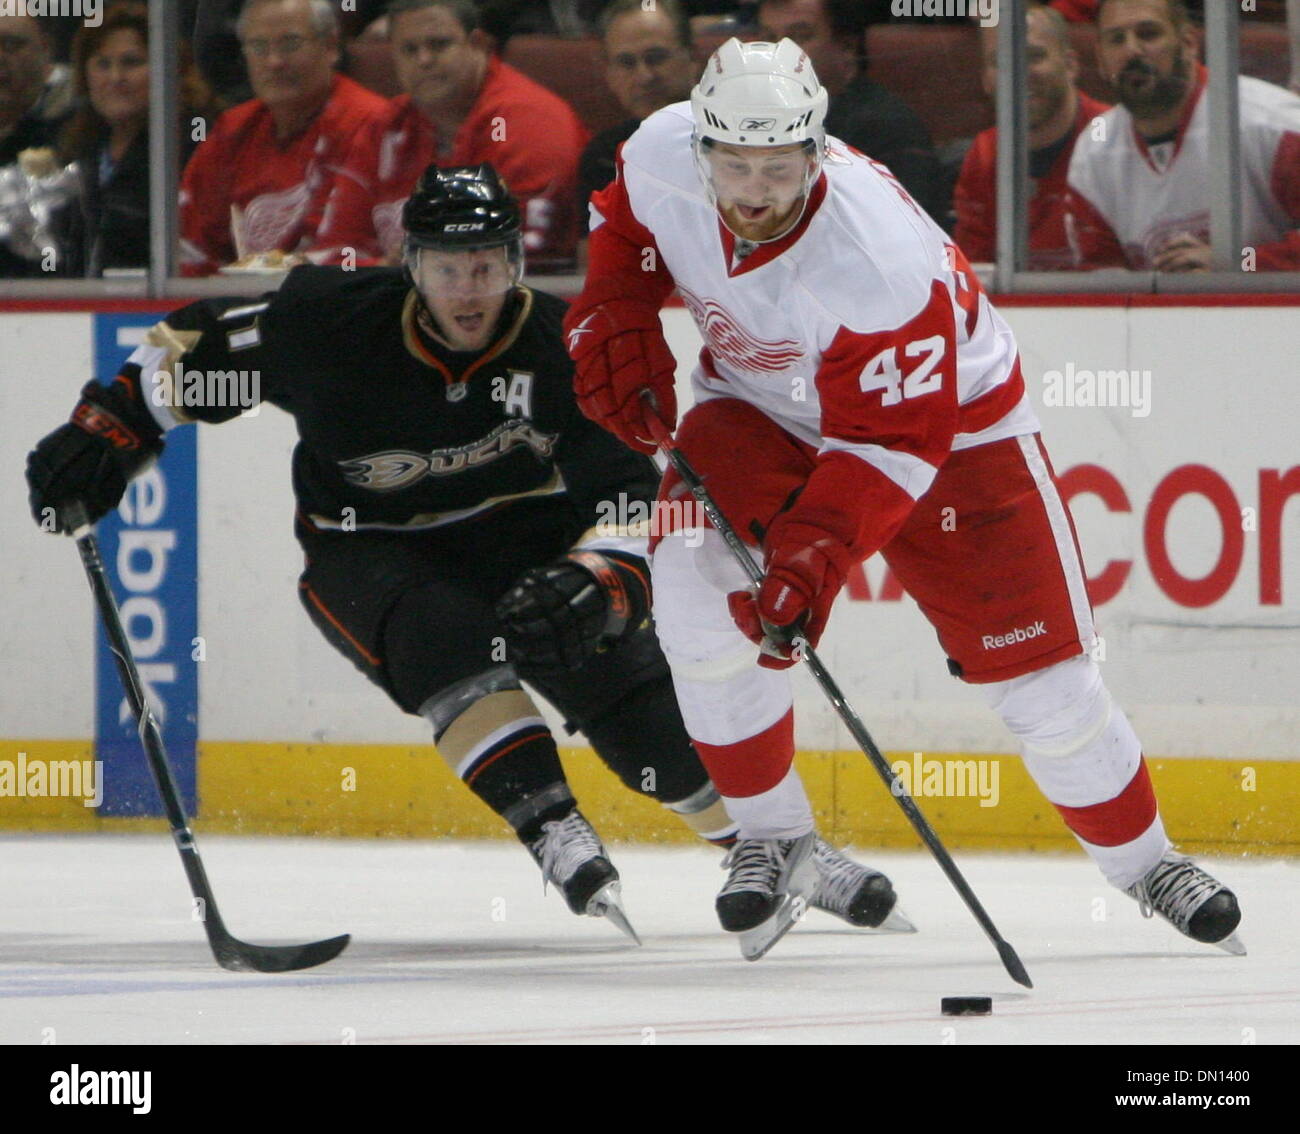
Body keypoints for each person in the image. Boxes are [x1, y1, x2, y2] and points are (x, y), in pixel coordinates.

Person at [26, 161, 900, 945]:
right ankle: (551, 825)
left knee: (648, 724)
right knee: (447, 638)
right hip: (368, 552)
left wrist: (598, 580)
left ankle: (776, 848)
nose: (469, 287)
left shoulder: (566, 346)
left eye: (487, 263)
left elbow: (639, 495)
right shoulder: (329, 325)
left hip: (530, 550)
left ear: (516, 262)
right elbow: (191, 352)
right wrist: (107, 431)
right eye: (448, 266)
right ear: (411, 265)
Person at [562, 37, 1244, 957]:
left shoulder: (876, 261)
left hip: (953, 433)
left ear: (816, 152)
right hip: (760, 408)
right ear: (701, 151)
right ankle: (772, 836)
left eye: (778, 166)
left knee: (1043, 683)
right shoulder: (658, 152)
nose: (754, 190)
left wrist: (812, 559)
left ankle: (1145, 861)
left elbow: (887, 448)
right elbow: (626, 235)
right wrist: (614, 310)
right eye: (734, 164)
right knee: (692, 584)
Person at [311, 0, 589, 271]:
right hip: (402, 303)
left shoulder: (529, 120)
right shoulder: (385, 126)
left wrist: (414, 267)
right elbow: (336, 250)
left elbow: (528, 254)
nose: (424, 60)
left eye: (439, 45)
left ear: (479, 45)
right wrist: (386, 270)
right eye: (409, 49)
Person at [1066, 0, 1300, 271]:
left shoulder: (1274, 124)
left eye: (1148, 34)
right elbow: (1100, 276)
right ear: (1101, 60)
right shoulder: (1092, 152)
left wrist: (1240, 266)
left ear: (1188, 43)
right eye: (1116, 40)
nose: (1131, 50)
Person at [178, 0, 389, 275]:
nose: (274, 61)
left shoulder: (373, 125)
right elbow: (191, 248)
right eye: (259, 47)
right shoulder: (232, 130)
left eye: (290, 44)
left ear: (330, 46)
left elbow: (358, 252)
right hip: (243, 306)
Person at [51, 3, 217, 278]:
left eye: (132, 62)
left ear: (170, 68)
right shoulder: (76, 143)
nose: (116, 78)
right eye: (103, 64)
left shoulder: (193, 142)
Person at [755, 0, 945, 224]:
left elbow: (904, 232)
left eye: (800, 37)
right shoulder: (742, 118)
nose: (778, 54)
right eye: (768, 39)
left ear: (847, 48)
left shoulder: (886, 128)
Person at [953, 3, 1109, 268]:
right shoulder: (984, 154)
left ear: (1070, 65)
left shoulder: (1114, 140)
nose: (1019, 73)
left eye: (1034, 56)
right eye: (1001, 61)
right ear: (985, 80)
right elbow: (975, 273)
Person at [575, 0, 699, 259]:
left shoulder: (739, 144)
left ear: (693, 59)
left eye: (656, 58)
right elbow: (597, 265)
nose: (644, 76)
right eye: (626, 63)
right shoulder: (603, 156)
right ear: (608, 72)